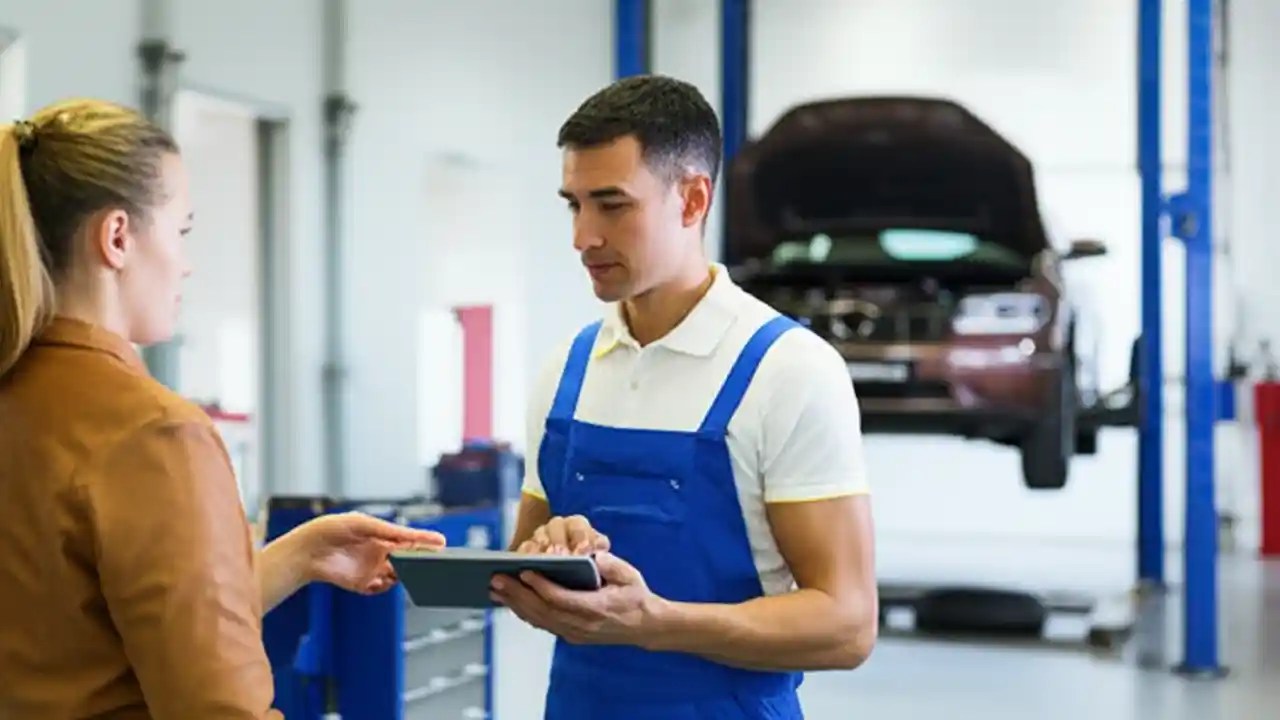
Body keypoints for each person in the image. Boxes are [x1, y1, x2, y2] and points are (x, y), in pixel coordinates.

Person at [0, 99, 445, 719]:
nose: (186, 263)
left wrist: (297, 556)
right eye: (180, 231)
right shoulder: (154, 434)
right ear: (118, 237)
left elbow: (88, 634)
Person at [492, 75, 878, 719]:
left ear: (692, 198)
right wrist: (553, 555)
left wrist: (654, 623)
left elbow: (846, 624)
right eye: (574, 204)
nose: (583, 237)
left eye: (612, 205)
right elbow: (523, 565)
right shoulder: (569, 370)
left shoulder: (789, 371)